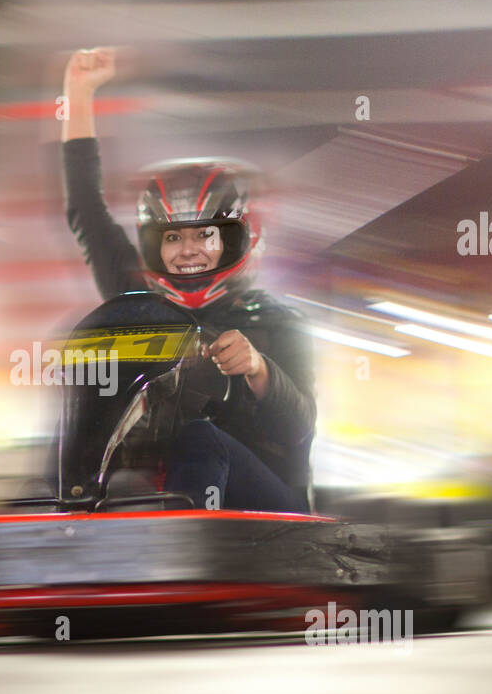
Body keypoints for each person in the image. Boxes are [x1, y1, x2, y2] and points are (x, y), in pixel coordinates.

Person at [60, 47, 316, 512]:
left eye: (205, 235)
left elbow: (299, 430)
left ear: (234, 238)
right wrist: (78, 92)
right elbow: (86, 211)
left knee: (199, 439)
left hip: (273, 513)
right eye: (173, 236)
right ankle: (76, 516)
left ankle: (179, 553)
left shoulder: (278, 321)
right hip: (167, 493)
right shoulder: (136, 298)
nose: (189, 249)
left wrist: (257, 368)